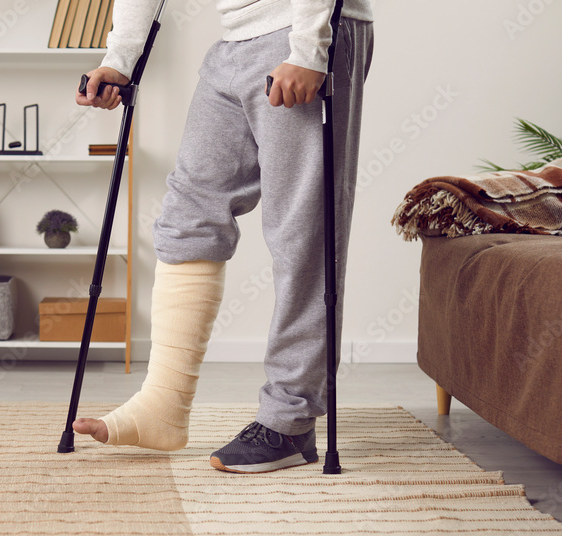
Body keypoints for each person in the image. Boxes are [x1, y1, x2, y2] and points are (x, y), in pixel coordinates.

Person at [72, 0, 374, 473]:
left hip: (302, 28)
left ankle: (289, 422)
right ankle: (163, 406)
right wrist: (119, 58)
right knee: (187, 222)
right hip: (234, 41)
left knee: (302, 232)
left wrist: (311, 46)